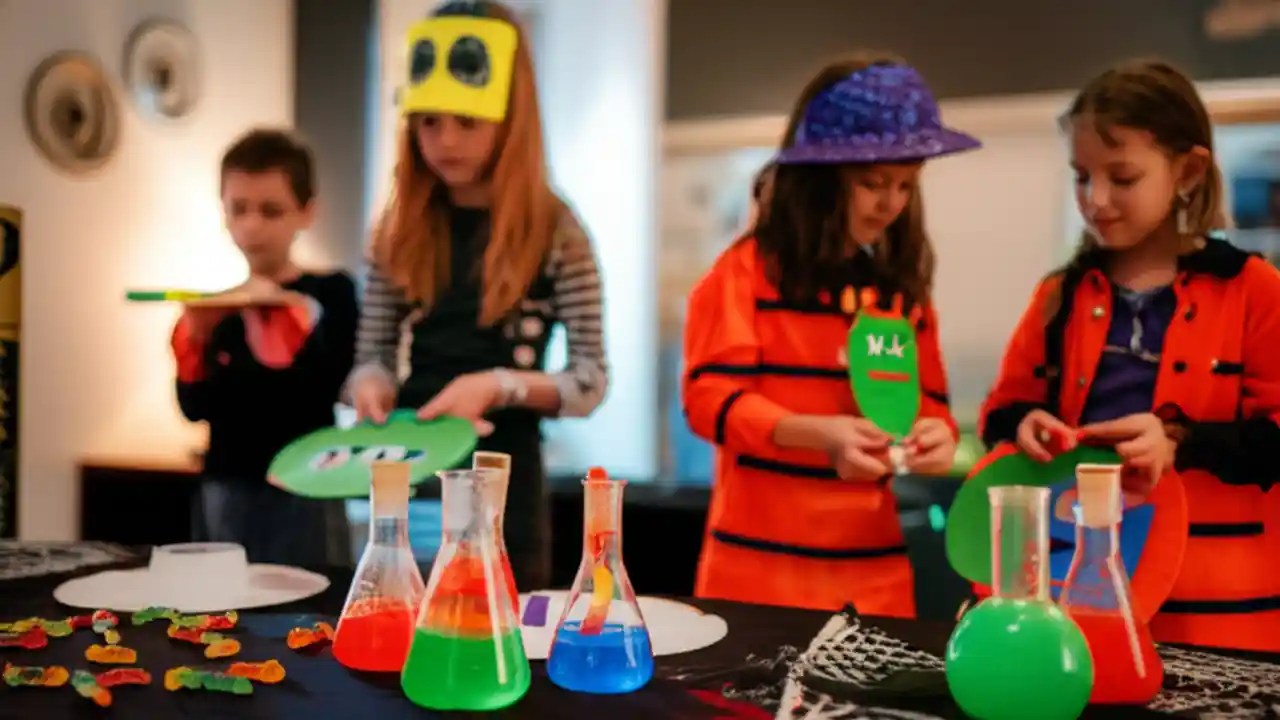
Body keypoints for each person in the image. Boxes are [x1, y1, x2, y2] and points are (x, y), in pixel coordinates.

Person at [980, 59, 1280, 653]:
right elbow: (1000, 414)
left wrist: (1178, 441)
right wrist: (1024, 426)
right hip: (1081, 600)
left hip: (1226, 613)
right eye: (1081, 177)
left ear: (1188, 171)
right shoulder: (1058, 295)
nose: (1096, 200)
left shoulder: (1256, 291)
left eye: (1122, 177)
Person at [681, 55, 979, 615]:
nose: (891, 204)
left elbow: (929, 406)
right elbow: (708, 400)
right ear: (818, 181)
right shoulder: (743, 275)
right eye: (872, 184)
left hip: (875, 580)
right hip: (757, 577)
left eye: (906, 185)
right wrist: (819, 435)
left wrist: (934, 439)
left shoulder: (899, 292)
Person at [346, 0, 608, 591]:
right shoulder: (396, 230)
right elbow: (371, 355)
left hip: (507, 492)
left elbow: (590, 381)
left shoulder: (557, 232)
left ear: (511, 119)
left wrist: (500, 385)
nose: (445, 141)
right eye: (428, 122)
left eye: (467, 122)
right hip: (409, 480)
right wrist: (370, 382)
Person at [172, 128, 358, 565]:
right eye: (239, 209)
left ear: (307, 213)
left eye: (271, 211)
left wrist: (286, 317)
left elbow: (332, 382)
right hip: (228, 486)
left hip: (307, 484)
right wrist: (195, 340)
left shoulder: (331, 292)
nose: (252, 225)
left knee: (315, 600)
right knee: (222, 600)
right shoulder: (218, 308)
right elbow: (194, 407)